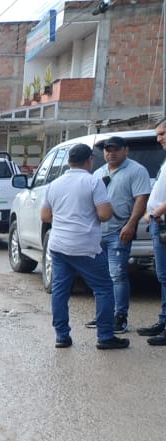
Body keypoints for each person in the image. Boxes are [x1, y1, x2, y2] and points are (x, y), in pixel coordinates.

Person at [41, 143, 128, 350]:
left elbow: (45, 216)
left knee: (61, 290)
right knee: (104, 288)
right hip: (85, 246)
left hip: (59, 245)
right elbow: (105, 215)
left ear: (70, 161)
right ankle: (105, 336)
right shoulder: (93, 182)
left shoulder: (55, 183)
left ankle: (62, 336)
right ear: (89, 160)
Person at [87, 135, 150, 334]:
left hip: (119, 231)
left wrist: (131, 225)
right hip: (98, 233)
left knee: (117, 275)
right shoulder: (98, 173)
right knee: (100, 277)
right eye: (107, 150)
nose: (111, 153)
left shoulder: (136, 170)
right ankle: (103, 316)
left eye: (115, 149)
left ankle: (119, 317)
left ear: (126, 150)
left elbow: (141, 200)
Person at [140, 118, 166, 346]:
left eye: (163, 133)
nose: (159, 139)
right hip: (159, 224)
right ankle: (163, 321)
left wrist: (155, 213)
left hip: (162, 223)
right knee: (163, 277)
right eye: (158, 134)